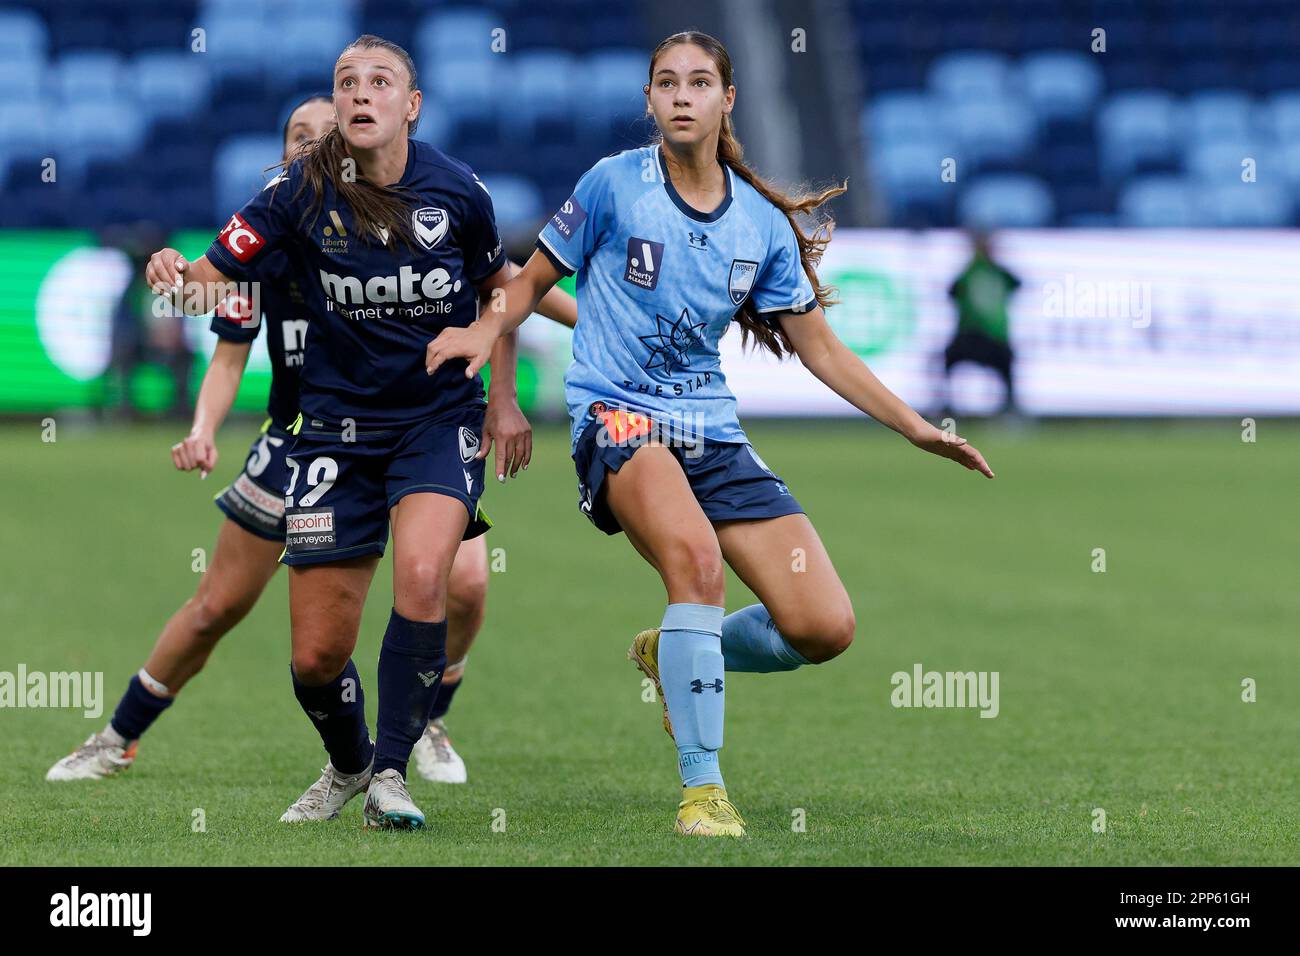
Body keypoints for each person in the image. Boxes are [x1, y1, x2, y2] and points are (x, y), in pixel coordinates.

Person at [426, 31, 995, 837]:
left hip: (711, 430)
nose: (682, 95)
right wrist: (493, 363)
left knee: (822, 627)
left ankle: (674, 652)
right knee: (695, 562)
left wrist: (914, 428)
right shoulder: (612, 185)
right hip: (616, 417)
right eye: (667, 83)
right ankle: (704, 792)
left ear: (728, 100)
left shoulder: (758, 223)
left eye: (699, 83)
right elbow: (527, 283)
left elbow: (820, 348)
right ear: (651, 101)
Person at [48, 94, 572, 788]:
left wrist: (590, 329)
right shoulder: (274, 231)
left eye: (323, 134)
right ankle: (117, 736)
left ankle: (426, 721)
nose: (311, 145)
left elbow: (505, 289)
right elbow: (219, 330)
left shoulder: (409, 219)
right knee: (219, 606)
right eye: (298, 136)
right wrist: (200, 408)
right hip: (303, 442)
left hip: (419, 429)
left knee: (467, 587)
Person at [944, 231, 1021, 415]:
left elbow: (952, 291)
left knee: (950, 359)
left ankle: (1009, 407)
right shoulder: (993, 272)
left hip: (982, 336)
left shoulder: (975, 272)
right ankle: (947, 405)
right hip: (981, 335)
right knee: (949, 358)